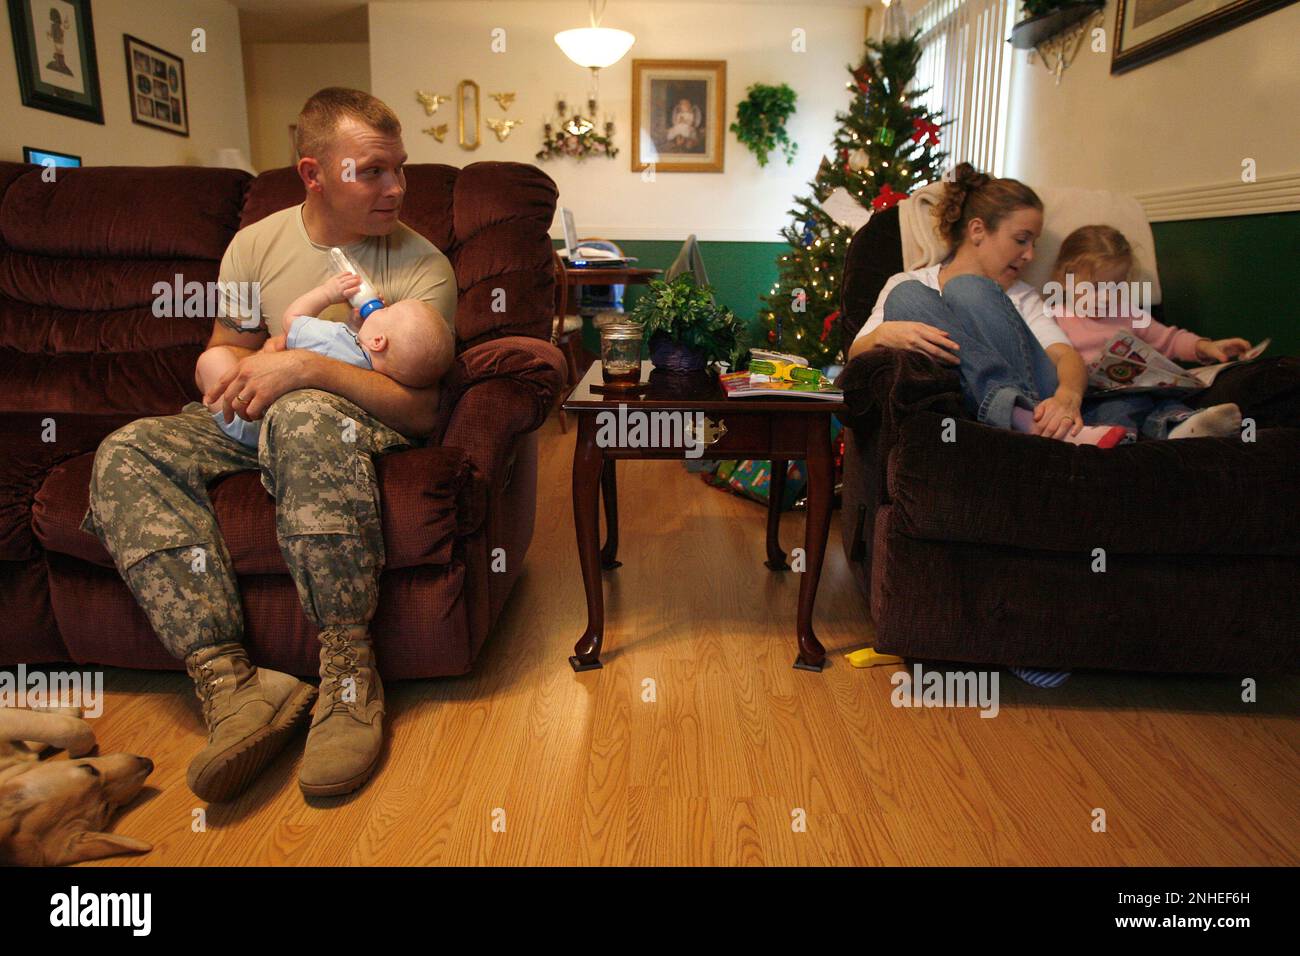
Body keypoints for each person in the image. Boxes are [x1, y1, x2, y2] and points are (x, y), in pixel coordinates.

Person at [81, 88, 457, 801]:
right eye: (372, 171)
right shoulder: (255, 243)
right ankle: (232, 685)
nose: (397, 187)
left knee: (305, 412)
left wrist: (307, 368)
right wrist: (226, 371)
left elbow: (423, 405)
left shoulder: (420, 264)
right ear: (313, 173)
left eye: (400, 168)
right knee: (128, 450)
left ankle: (348, 673)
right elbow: (229, 345)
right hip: (251, 417)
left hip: (339, 418)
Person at [196, 272, 452, 447]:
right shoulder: (370, 371)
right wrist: (356, 325)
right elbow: (352, 349)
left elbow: (293, 319)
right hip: (293, 424)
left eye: (387, 310)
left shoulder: (333, 340)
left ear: (378, 341)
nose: (382, 307)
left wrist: (328, 293)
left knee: (212, 360)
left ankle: (223, 414)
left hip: (253, 421)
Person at [1048, 224, 1246, 439]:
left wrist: (1205, 347)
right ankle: (1123, 439)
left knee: (1163, 400)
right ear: (1062, 278)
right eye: (1094, 288)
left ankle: (1184, 427)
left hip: (1138, 391)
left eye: (1115, 288)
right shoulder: (1053, 317)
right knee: (1124, 405)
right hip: (1089, 400)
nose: (1105, 298)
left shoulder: (1127, 313)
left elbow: (1169, 340)